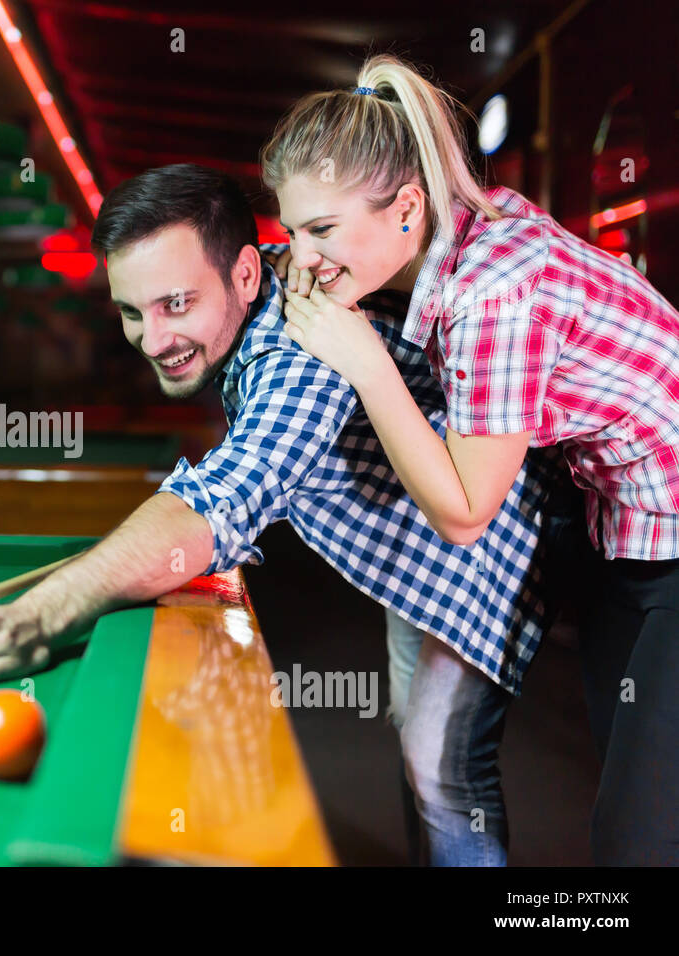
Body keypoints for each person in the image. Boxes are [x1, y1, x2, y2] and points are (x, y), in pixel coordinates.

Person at [0, 163, 562, 865]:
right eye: (132, 311)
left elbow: (224, 498)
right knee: (414, 741)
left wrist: (36, 616)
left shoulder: (297, 350)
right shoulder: (266, 277)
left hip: (483, 539)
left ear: (242, 275)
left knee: (441, 767)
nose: (152, 339)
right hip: (413, 547)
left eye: (176, 303)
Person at [263, 53, 679, 865]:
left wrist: (364, 361)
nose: (303, 256)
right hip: (621, 529)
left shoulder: (493, 290)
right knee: (635, 800)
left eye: (320, 230)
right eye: (291, 231)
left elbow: (462, 512)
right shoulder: (463, 236)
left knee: (641, 838)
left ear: (408, 207)